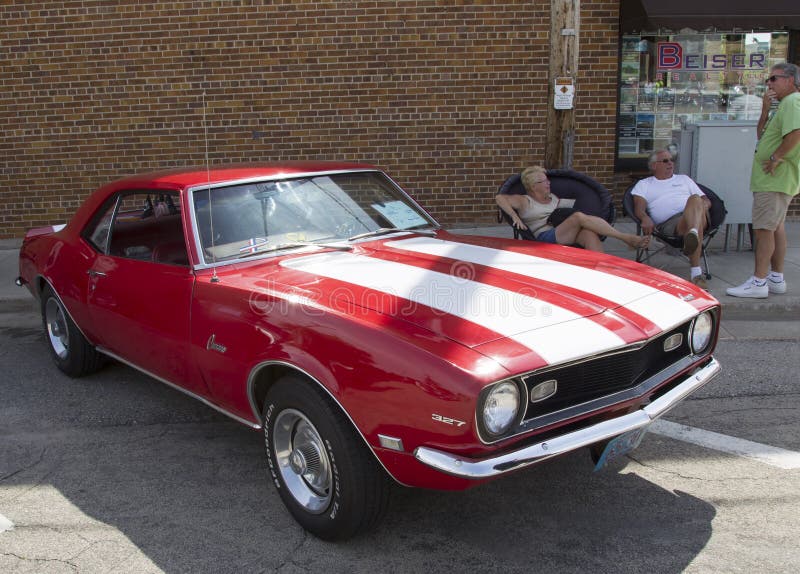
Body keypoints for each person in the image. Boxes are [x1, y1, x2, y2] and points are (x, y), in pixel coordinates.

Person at [727, 62, 800, 298]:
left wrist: (776, 157)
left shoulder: (792, 102)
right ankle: (775, 278)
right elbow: (762, 136)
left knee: (763, 229)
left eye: (773, 79)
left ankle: (758, 283)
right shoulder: (783, 105)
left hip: (774, 178)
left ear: (790, 80)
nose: (769, 83)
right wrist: (765, 110)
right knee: (774, 227)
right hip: (771, 178)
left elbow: (796, 133)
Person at [496, 166, 648, 252]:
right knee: (578, 217)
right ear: (533, 185)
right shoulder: (524, 200)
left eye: (548, 180)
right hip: (543, 237)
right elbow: (500, 198)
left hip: (562, 231)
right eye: (544, 181)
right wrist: (514, 216)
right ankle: (626, 238)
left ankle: (601, 272)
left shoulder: (553, 197)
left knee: (589, 234)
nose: (548, 183)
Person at [631, 149, 712, 288]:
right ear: (654, 165)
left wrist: (699, 207)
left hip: (697, 215)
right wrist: (644, 218)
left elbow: (707, 201)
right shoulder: (644, 184)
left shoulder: (684, 179)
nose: (670, 163)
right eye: (665, 160)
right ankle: (696, 273)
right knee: (695, 219)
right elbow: (639, 208)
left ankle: (692, 234)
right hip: (671, 224)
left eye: (671, 160)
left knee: (695, 199)